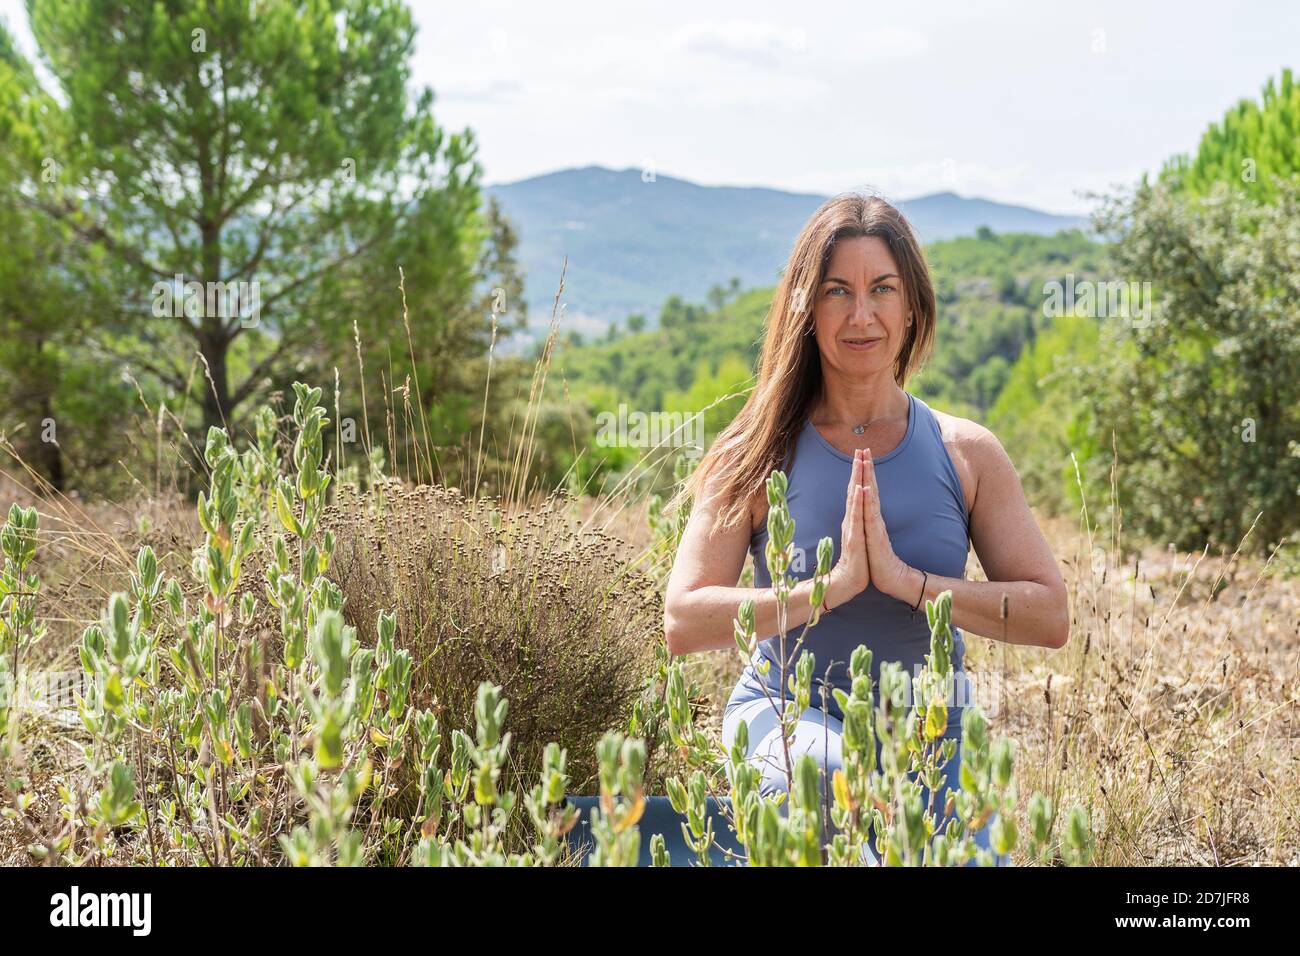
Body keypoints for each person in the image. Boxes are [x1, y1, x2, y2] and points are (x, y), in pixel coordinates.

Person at [662, 193, 1071, 865]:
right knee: (833, 790)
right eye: (836, 292)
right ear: (806, 308)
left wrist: (910, 583)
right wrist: (830, 588)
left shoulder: (968, 452)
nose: (861, 315)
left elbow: (1049, 615)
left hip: (934, 732)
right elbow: (683, 618)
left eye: (882, 289)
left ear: (911, 308)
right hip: (792, 722)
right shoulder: (754, 449)